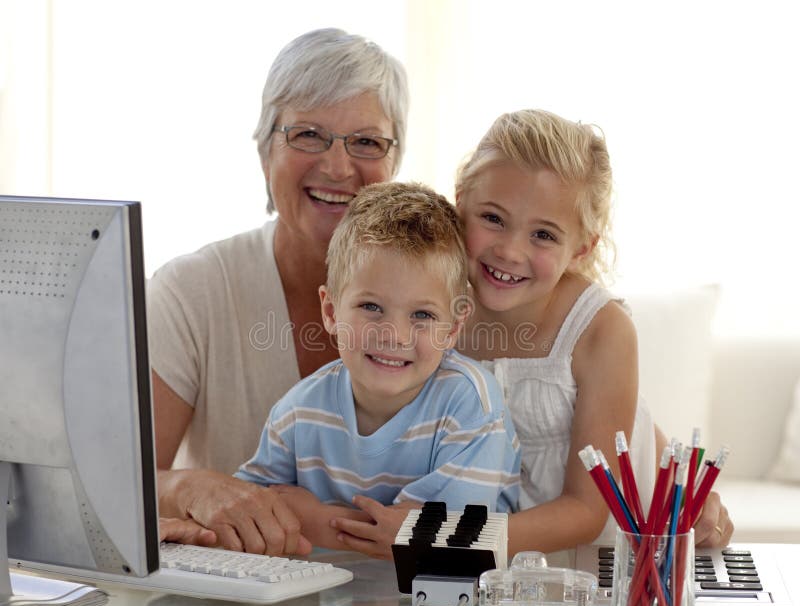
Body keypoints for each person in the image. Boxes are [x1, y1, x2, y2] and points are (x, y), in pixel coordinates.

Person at [330, 109, 733, 558]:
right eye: (493, 218)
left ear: (582, 246)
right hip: (478, 562)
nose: (510, 250)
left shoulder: (600, 330)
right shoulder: (426, 311)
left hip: (599, 560)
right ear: (460, 202)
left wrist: (440, 535)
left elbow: (585, 510)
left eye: (543, 234)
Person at [149, 27, 409, 554]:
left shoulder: (438, 293)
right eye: (308, 134)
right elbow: (113, 484)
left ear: (394, 162)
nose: (337, 167)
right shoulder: (192, 290)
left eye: (365, 141)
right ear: (265, 151)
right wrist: (187, 485)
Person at [231, 181, 519, 547]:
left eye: (422, 314)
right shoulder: (298, 412)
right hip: (328, 602)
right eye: (371, 307)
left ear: (453, 328)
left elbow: (445, 544)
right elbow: (248, 513)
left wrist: (315, 520)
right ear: (331, 311)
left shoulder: (470, 405)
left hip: (452, 604)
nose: (394, 335)